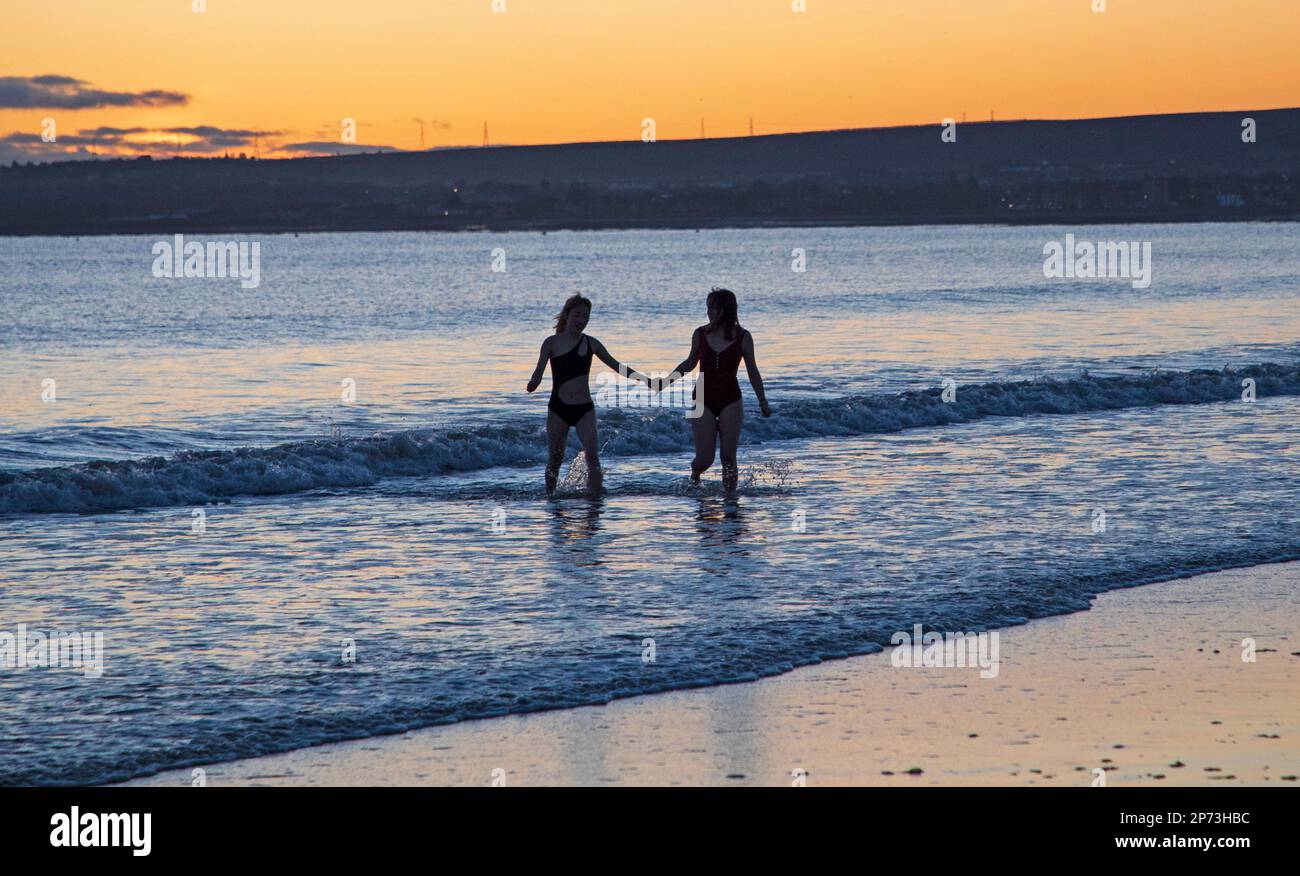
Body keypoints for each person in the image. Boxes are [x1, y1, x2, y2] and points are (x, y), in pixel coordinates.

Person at [526, 294, 652, 496]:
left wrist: (644, 379)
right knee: (555, 459)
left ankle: (595, 497)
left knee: (592, 455)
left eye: (585, 316)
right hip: (558, 408)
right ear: (567, 315)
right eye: (577, 315)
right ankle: (551, 498)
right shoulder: (551, 343)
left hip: (584, 408)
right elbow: (538, 372)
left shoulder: (591, 343)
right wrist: (533, 383)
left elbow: (617, 365)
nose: (581, 321)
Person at [659, 288, 771, 490]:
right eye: (708, 307)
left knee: (728, 456)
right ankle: (695, 474)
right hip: (702, 398)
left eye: (715, 307)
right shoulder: (700, 333)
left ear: (727, 309)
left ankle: (730, 502)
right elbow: (689, 363)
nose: (710, 311)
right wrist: (666, 381)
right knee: (705, 459)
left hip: (731, 398)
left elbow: (753, 371)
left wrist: (762, 400)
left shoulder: (743, 336)